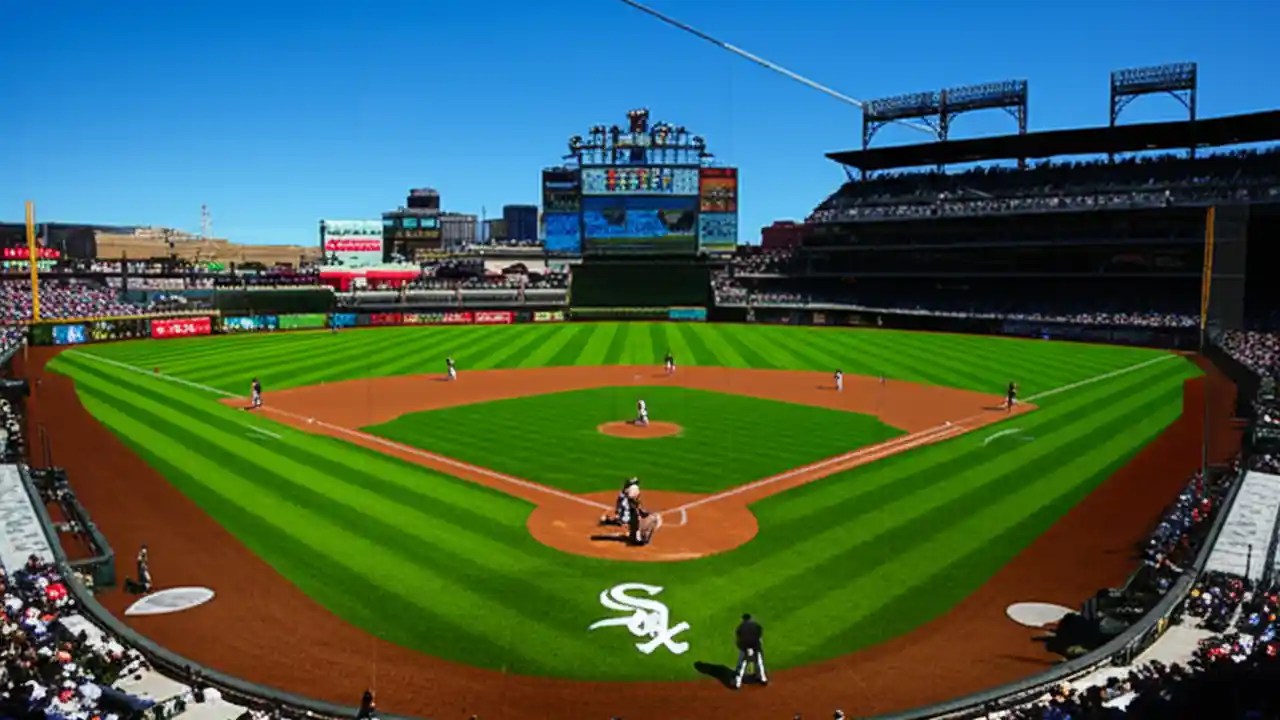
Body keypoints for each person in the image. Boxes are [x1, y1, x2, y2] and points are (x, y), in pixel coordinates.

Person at [734, 612, 766, 688]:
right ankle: (763, 678)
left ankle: (737, 682)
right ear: (750, 618)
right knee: (759, 661)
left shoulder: (740, 627)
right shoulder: (756, 625)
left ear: (743, 619)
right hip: (755, 645)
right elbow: (759, 634)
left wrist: (742, 647)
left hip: (744, 646)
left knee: (742, 663)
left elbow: (739, 638)